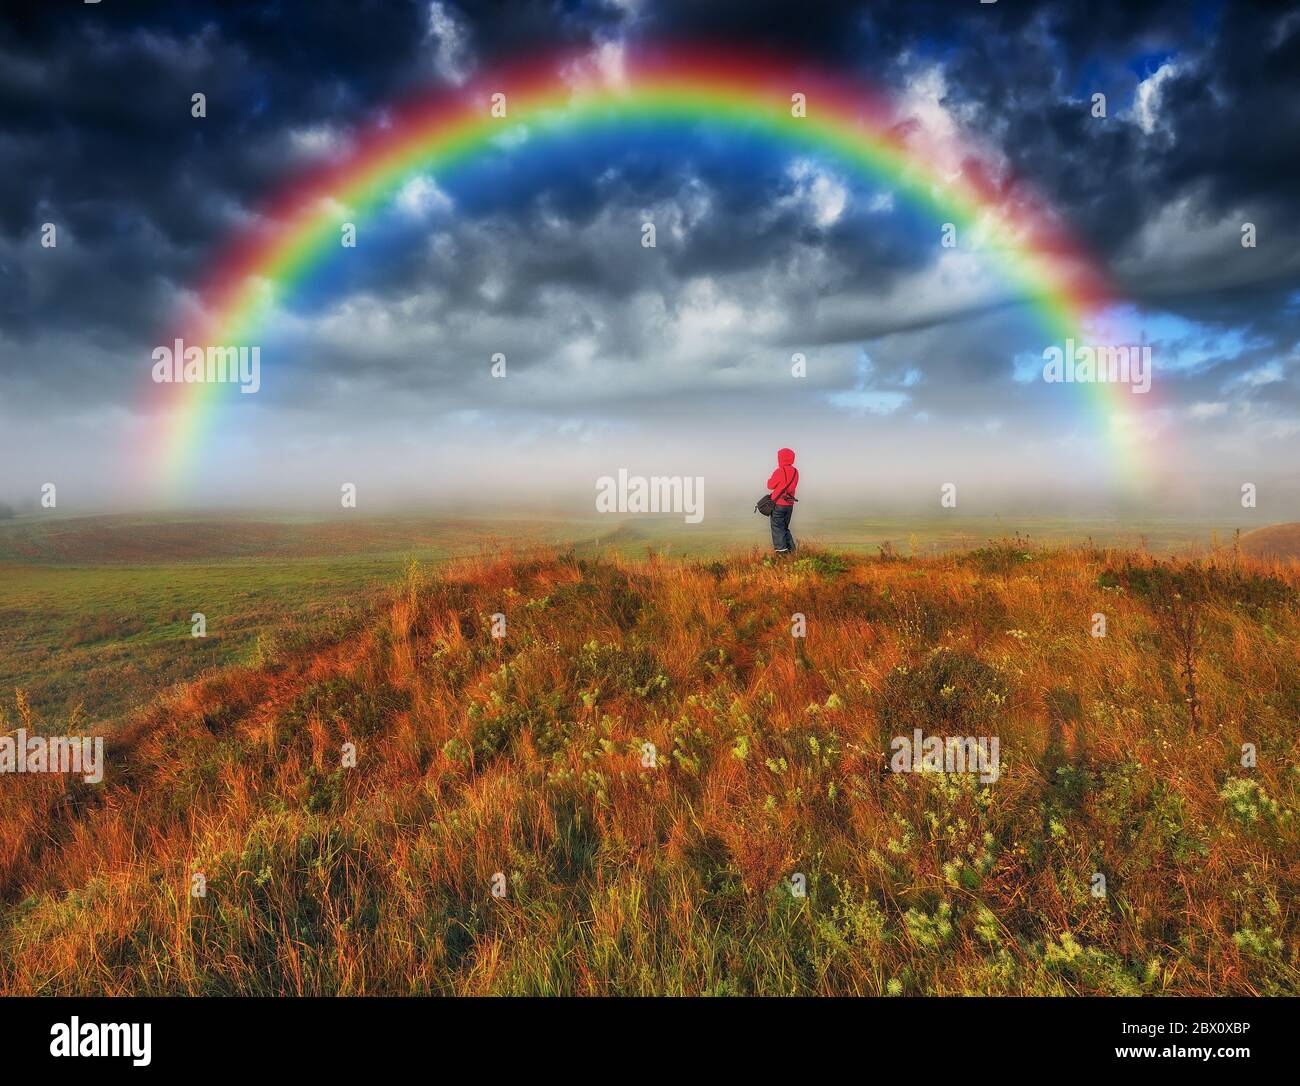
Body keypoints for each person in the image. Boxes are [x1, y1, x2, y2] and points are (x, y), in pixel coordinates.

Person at [766, 447, 798, 553]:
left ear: (781, 458)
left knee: (777, 529)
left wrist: (769, 480)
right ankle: (792, 551)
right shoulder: (795, 472)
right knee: (784, 528)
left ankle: (781, 554)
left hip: (778, 504)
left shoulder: (779, 471)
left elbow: (770, 485)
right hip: (789, 505)